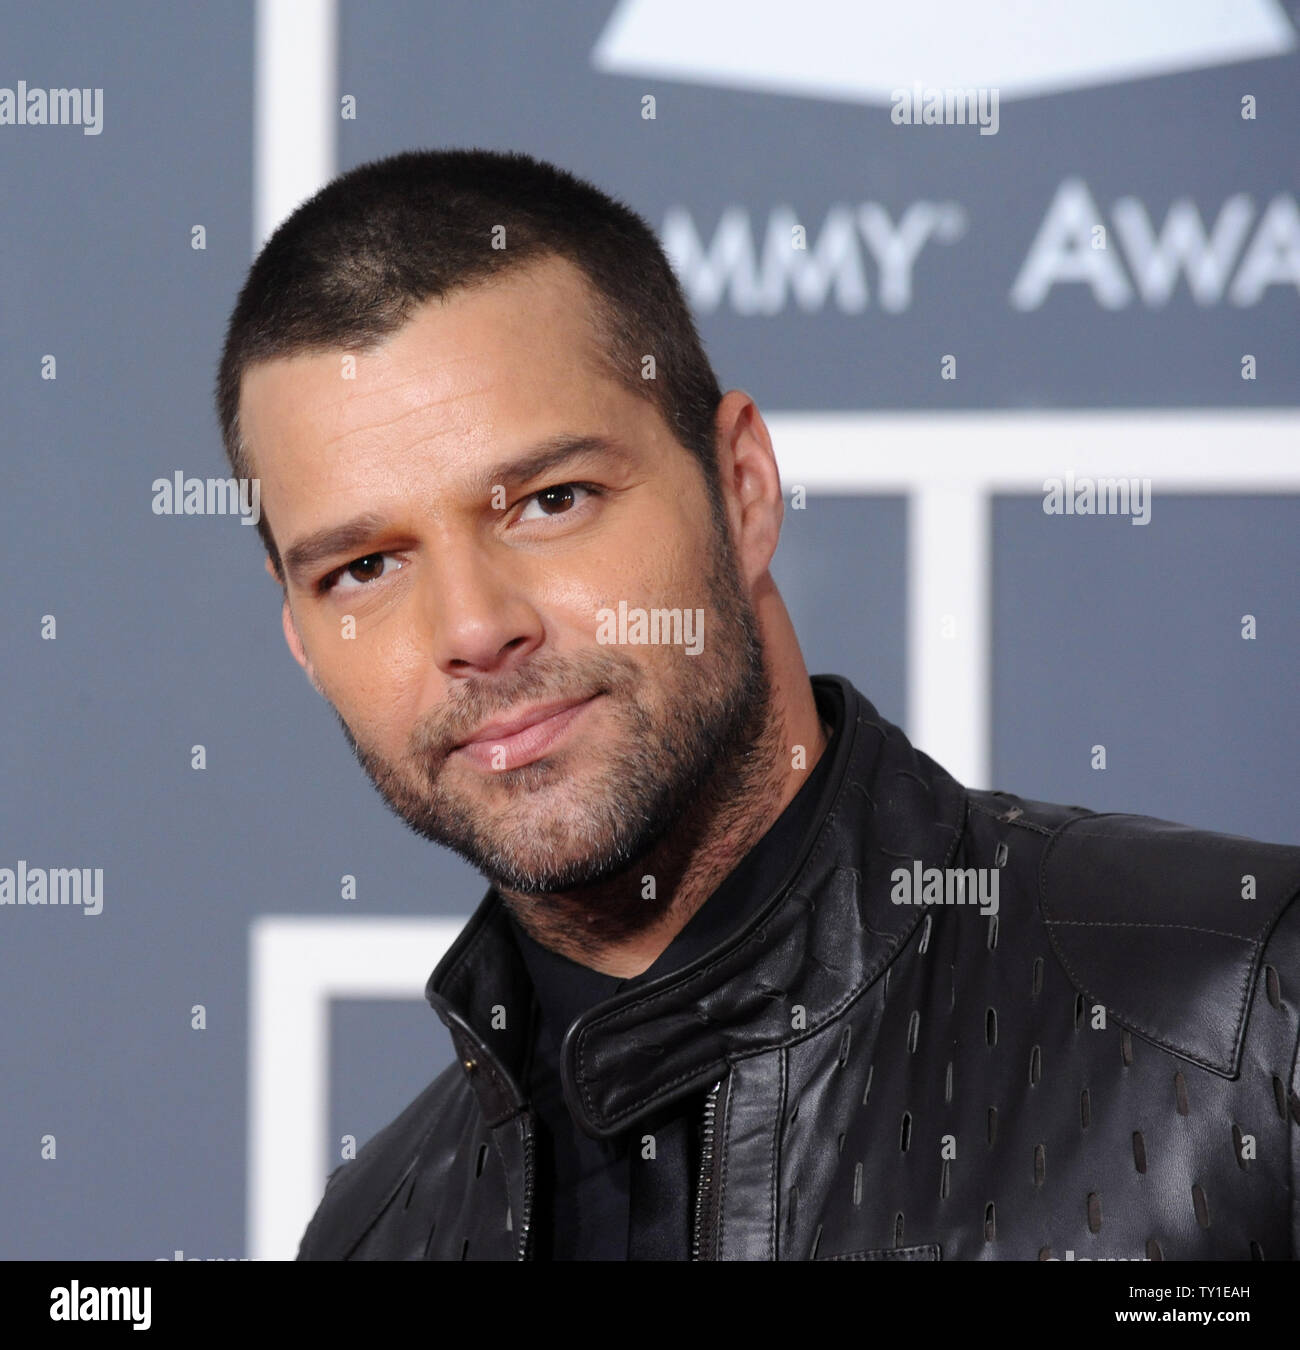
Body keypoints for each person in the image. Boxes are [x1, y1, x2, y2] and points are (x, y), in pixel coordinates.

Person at [216, 148, 1300, 1261]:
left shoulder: (1250, 1010)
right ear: (301, 636)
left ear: (742, 491)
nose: (471, 628)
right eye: (362, 568)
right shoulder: (371, 1237)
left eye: (550, 500)